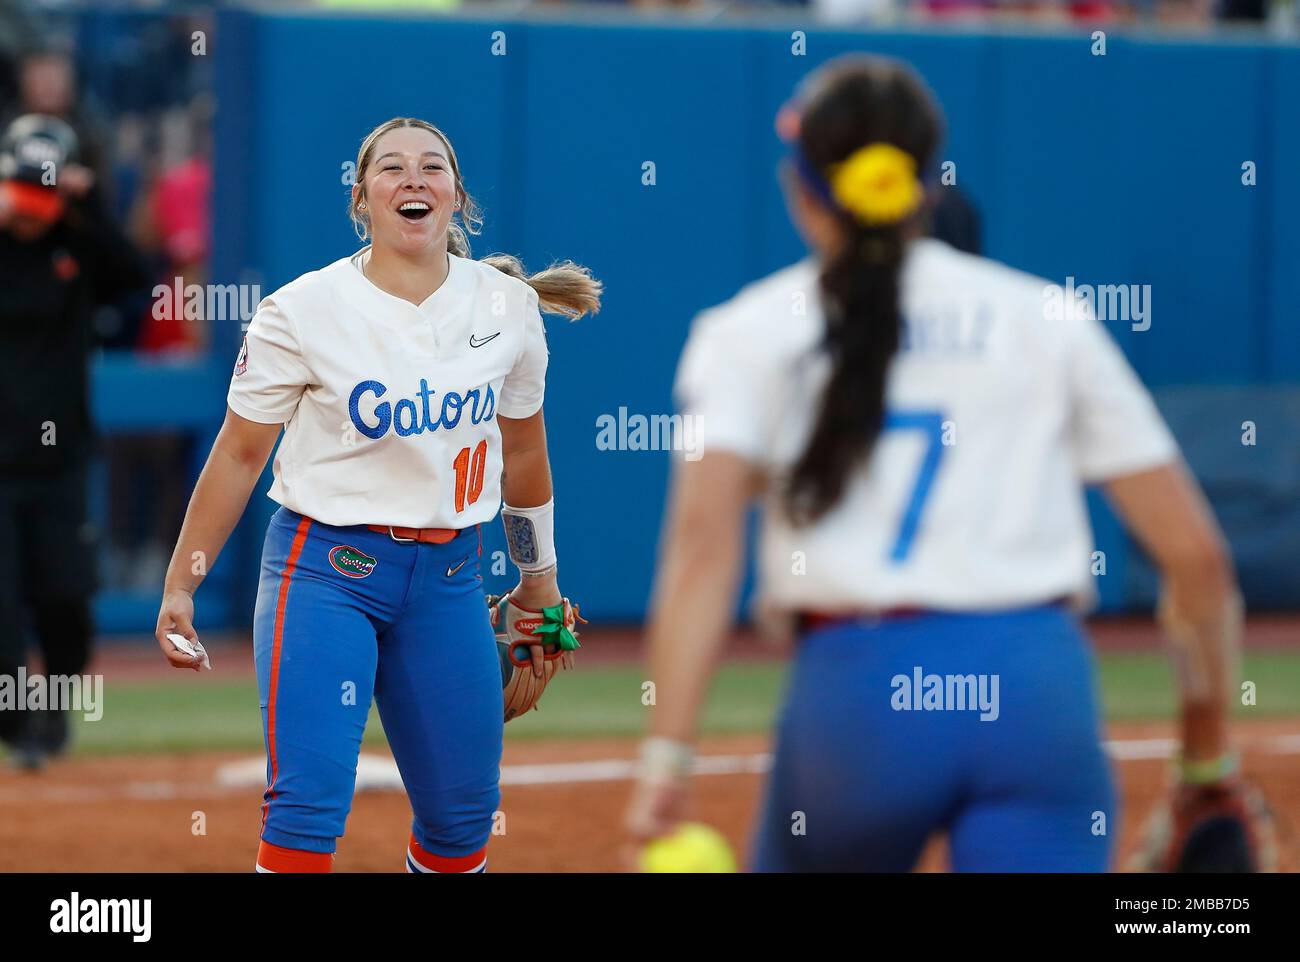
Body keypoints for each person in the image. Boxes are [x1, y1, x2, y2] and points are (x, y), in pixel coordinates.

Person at [624, 56, 1250, 871]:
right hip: (1036, 692)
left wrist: (666, 758)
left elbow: (701, 556)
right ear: (926, 181)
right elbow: (1199, 561)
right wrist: (1204, 761)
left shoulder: (747, 333)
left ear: (801, 189)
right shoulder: (1046, 318)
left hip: (858, 699)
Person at [154, 117, 600, 873]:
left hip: (452, 580)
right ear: (362, 199)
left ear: (458, 196)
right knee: (305, 810)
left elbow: (523, 450)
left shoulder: (506, 307)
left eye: (433, 167)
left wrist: (539, 581)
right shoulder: (302, 310)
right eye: (391, 169)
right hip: (324, 572)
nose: (414, 179)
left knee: (462, 824)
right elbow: (238, 454)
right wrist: (180, 583)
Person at [0, 113, 151, 770]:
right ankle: (18, 726)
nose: (33, 210)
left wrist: (86, 200)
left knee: (65, 599)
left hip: (59, 462)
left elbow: (134, 276)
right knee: (1, 610)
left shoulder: (80, 245)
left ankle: (56, 705)